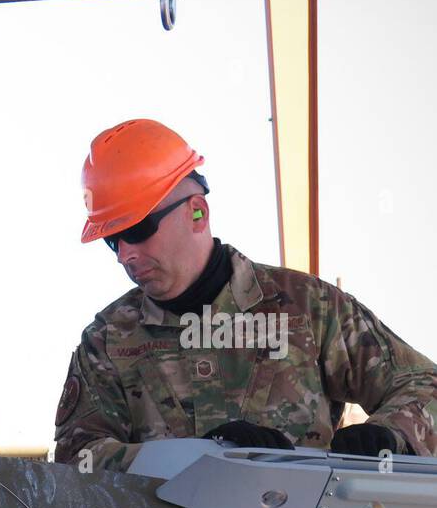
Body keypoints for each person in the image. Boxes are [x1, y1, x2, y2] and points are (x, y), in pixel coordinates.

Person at [55, 119, 437, 470]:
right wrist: (193, 459)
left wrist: (390, 434)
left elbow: (423, 384)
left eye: (138, 230)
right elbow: (79, 458)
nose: (125, 253)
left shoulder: (308, 308)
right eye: (111, 240)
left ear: (197, 213)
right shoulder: (107, 341)